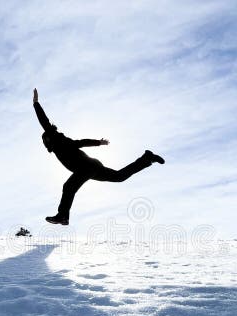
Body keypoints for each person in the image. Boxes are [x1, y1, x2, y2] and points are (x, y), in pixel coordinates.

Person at [33, 88, 165, 225]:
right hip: (92, 167)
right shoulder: (59, 146)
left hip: (86, 167)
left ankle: (62, 216)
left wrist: (36, 103)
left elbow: (46, 122)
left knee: (68, 187)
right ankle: (147, 158)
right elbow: (80, 142)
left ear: (48, 139)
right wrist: (99, 143)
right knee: (119, 176)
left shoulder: (59, 140)